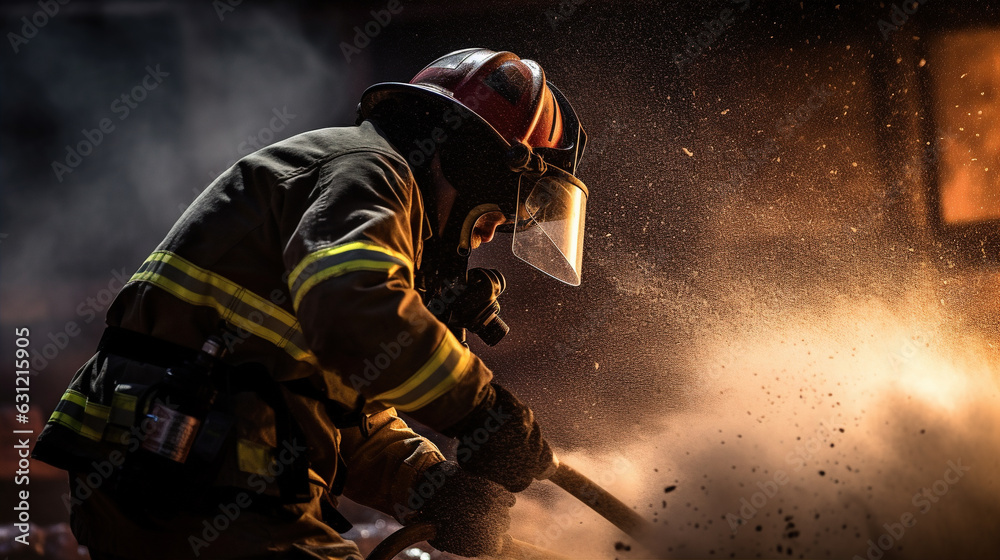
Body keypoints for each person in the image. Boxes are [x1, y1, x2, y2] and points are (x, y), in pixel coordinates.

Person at [32, 47, 590, 559]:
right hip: (191, 481)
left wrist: (427, 485)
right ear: (472, 163)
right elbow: (357, 313)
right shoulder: (371, 172)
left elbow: (342, 406)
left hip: (186, 480)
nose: (491, 234)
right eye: (501, 211)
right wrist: (481, 409)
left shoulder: (365, 191)